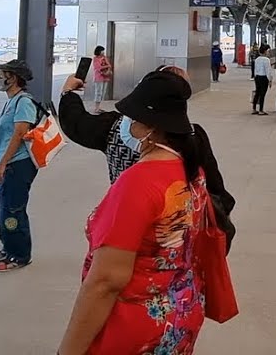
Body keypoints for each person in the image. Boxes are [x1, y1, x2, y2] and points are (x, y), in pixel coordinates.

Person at [57, 70, 211, 354]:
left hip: (135, 328)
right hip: (180, 314)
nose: (127, 124)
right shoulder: (192, 170)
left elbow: (105, 282)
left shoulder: (139, 182)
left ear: (151, 127)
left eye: (133, 118)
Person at [57, 67, 236, 237]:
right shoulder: (192, 138)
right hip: (178, 235)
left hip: (134, 225)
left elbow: (77, 124)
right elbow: (213, 184)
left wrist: (68, 93)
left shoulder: (111, 127)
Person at [0, 59, 40, 272]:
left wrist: (3, 164)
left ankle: (20, 254)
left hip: (18, 165)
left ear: (14, 78)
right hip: (6, 163)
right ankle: (9, 245)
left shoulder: (24, 102)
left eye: (3, 75)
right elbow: (3, 136)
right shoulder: (11, 101)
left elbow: (19, 134)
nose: (0, 79)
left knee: (12, 211)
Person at [252, 45, 273, 115]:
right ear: (265, 51)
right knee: (262, 94)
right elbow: (268, 71)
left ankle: (254, 109)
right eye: (268, 51)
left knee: (257, 93)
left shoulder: (257, 59)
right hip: (264, 78)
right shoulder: (267, 60)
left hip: (257, 77)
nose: (268, 52)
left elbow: (255, 69)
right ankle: (261, 110)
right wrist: (270, 80)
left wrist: (255, 77)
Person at [90, 46, 113, 114]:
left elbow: (109, 65)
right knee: (98, 92)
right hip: (98, 77)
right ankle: (96, 108)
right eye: (102, 51)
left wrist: (108, 70)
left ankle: (99, 107)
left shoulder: (104, 57)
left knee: (103, 92)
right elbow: (98, 67)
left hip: (105, 77)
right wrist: (107, 66)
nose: (103, 52)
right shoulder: (95, 59)